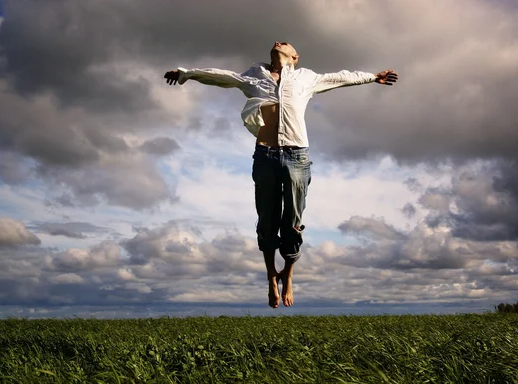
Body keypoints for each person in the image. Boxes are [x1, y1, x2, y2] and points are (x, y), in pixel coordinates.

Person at [164, 41, 398, 308]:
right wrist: (187, 73)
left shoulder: (305, 78)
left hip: (297, 157)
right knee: (267, 220)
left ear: (294, 56)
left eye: (284, 43)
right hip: (265, 156)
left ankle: (288, 274)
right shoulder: (254, 75)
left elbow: (339, 77)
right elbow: (224, 77)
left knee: (293, 222)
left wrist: (372, 77)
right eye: (275, 43)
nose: (277, 43)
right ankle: (270, 277)